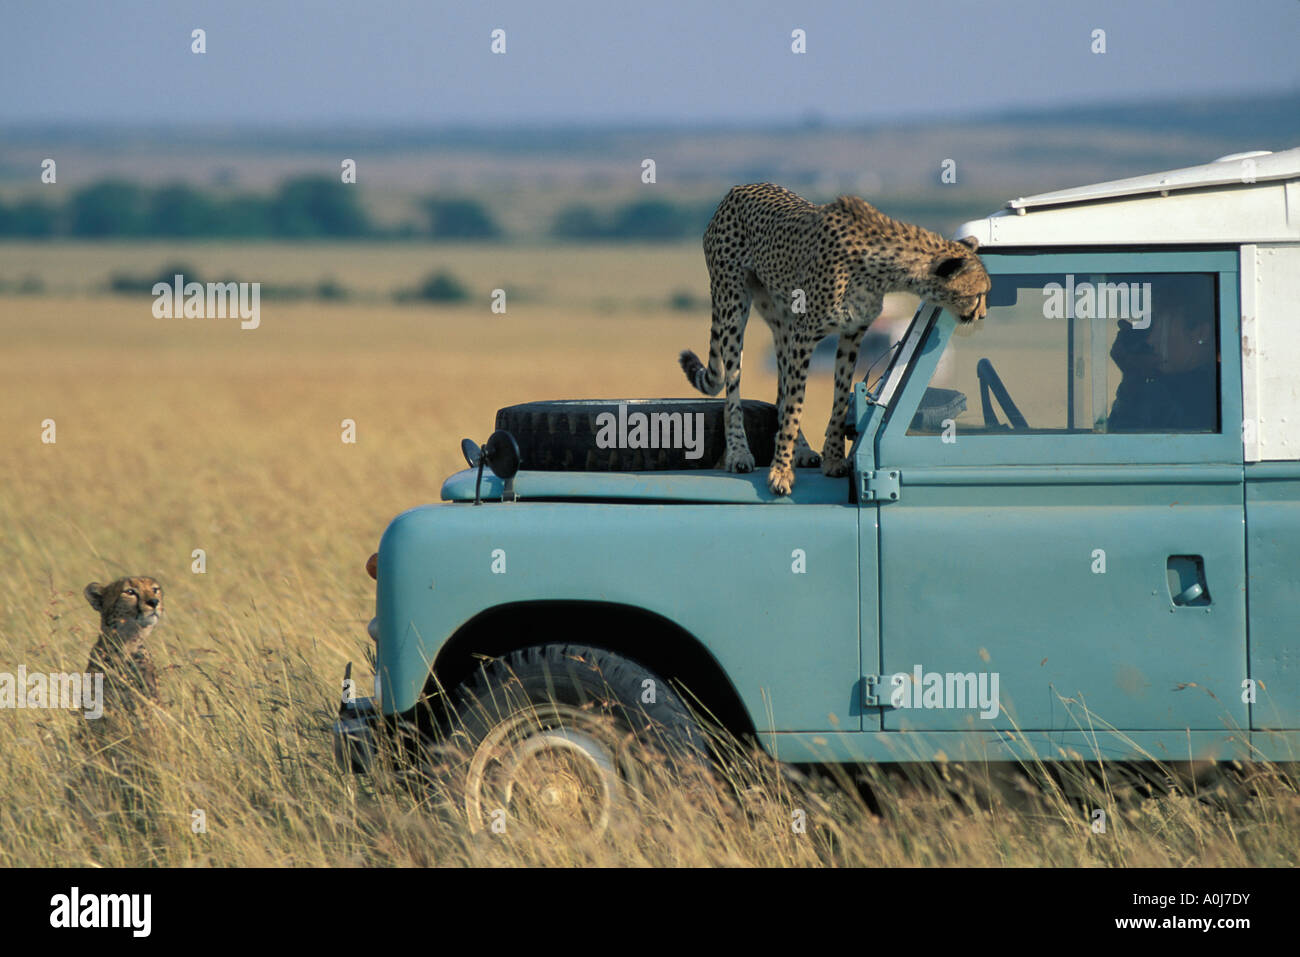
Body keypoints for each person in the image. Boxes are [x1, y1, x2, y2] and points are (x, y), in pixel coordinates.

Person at [1108, 285, 1218, 432]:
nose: (1151, 341)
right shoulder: (1214, 384)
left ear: (1201, 333)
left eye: (1162, 326)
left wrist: (1134, 377)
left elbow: (1122, 442)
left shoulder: (1187, 394)